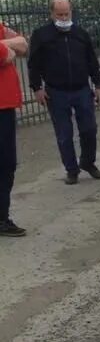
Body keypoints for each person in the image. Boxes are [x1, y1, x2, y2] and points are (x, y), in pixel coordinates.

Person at [27, 0, 100, 185]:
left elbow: (91, 61)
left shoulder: (80, 34)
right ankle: (71, 170)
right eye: (59, 14)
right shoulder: (41, 35)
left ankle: (87, 162)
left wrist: (99, 84)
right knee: (64, 133)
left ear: (71, 12)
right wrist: (37, 88)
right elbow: (34, 64)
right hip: (56, 91)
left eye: (66, 14)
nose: (63, 18)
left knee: (89, 128)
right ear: (52, 14)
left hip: (81, 89)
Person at [1, 20, 29, 237]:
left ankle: (2, 216)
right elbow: (7, 55)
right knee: (4, 164)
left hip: (6, 105)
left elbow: (22, 46)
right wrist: (7, 45)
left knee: (7, 165)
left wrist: (5, 42)